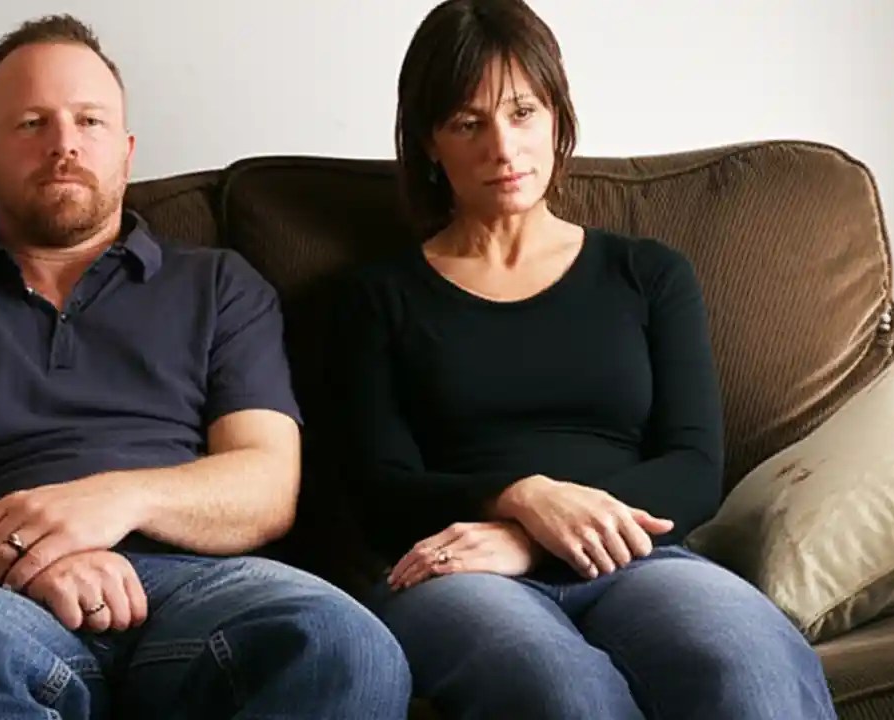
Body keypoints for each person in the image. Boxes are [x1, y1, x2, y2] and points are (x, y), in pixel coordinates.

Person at [0, 15, 411, 720]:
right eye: (32, 122)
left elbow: (267, 479)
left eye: (89, 121)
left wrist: (115, 501)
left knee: (349, 646)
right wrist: (31, 553)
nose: (64, 144)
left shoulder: (221, 286)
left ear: (126, 151)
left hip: (204, 587)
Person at [334, 1, 838, 718]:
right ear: (428, 144)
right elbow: (382, 489)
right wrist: (519, 493)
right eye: (467, 123)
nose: (503, 148)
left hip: (637, 560)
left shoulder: (649, 274)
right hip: (460, 572)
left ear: (558, 117)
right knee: (563, 694)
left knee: (748, 665)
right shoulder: (375, 298)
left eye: (523, 112)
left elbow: (694, 470)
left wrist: (529, 535)